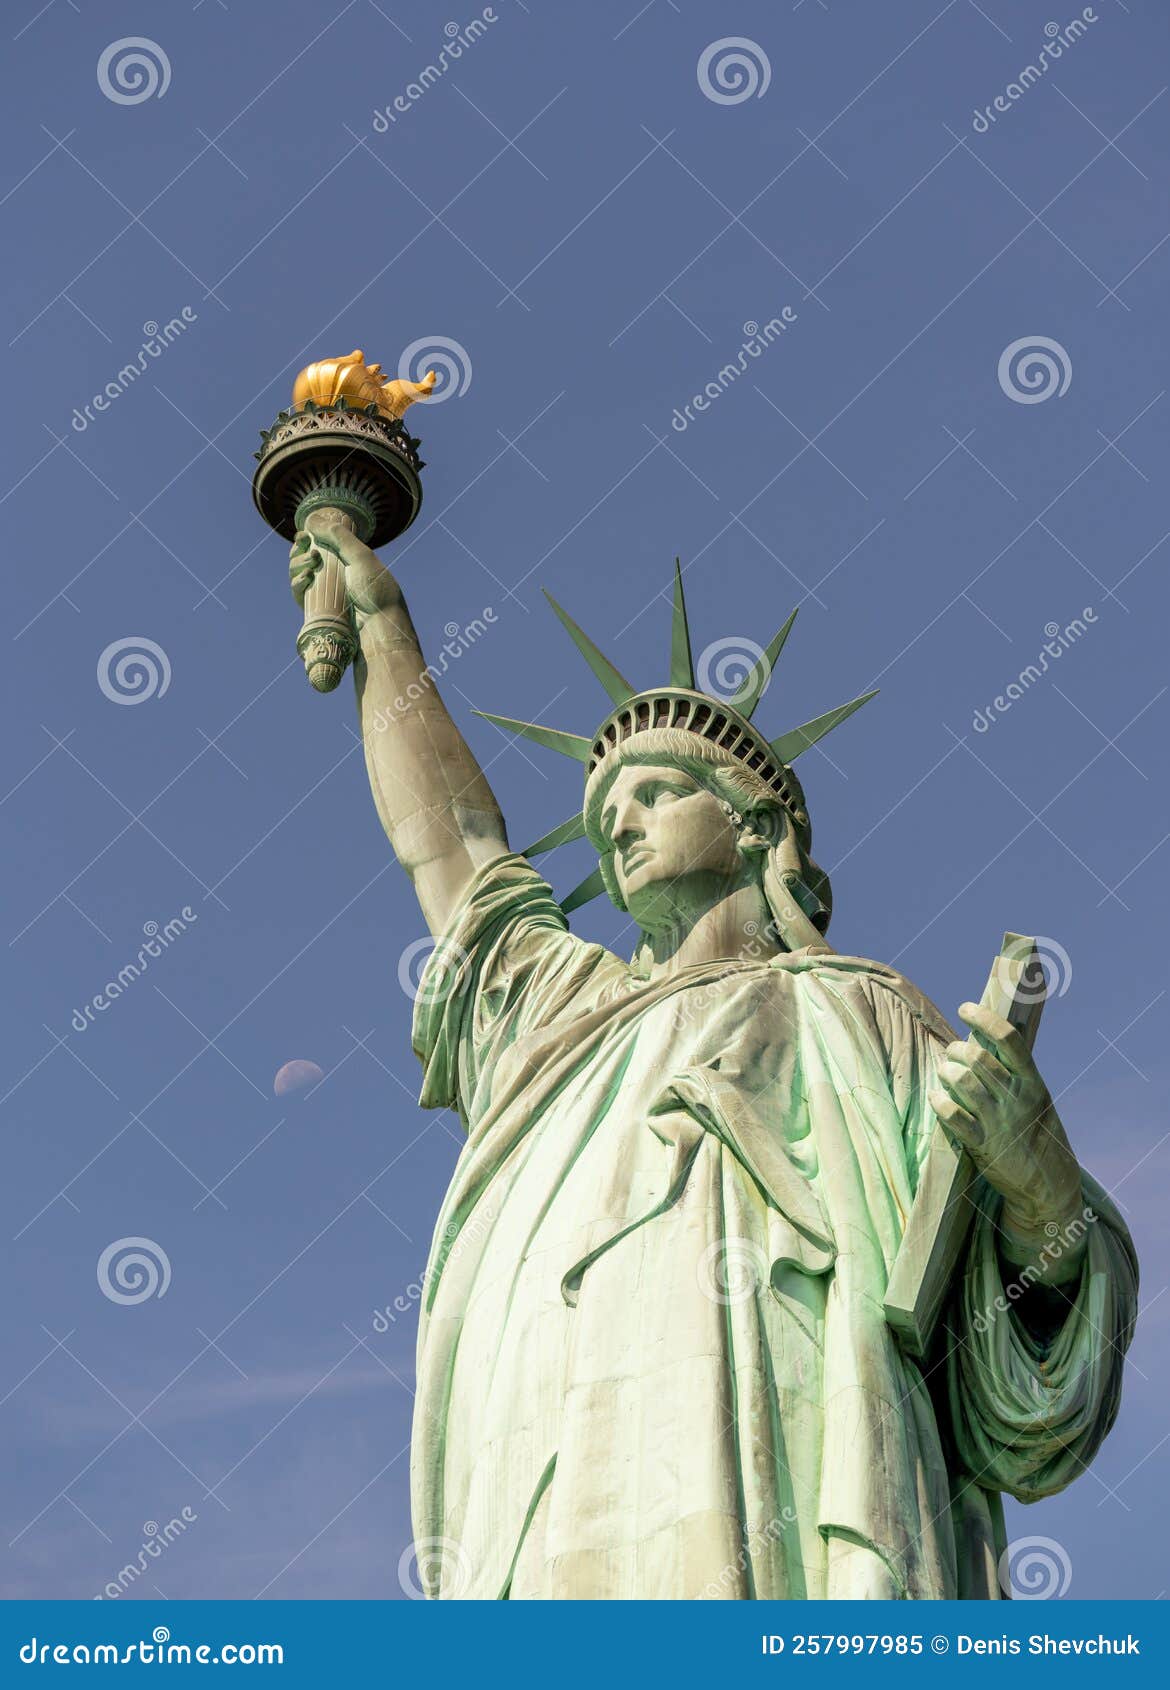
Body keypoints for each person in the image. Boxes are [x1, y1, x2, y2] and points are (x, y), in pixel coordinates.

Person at [291, 511, 1137, 1600]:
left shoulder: (859, 1013)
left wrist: (1035, 1175)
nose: (624, 824)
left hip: (787, 1467)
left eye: (656, 792)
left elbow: (1017, 1323)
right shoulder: (564, 1013)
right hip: (557, 1477)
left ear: (751, 825)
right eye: (608, 815)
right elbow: (454, 851)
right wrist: (387, 635)